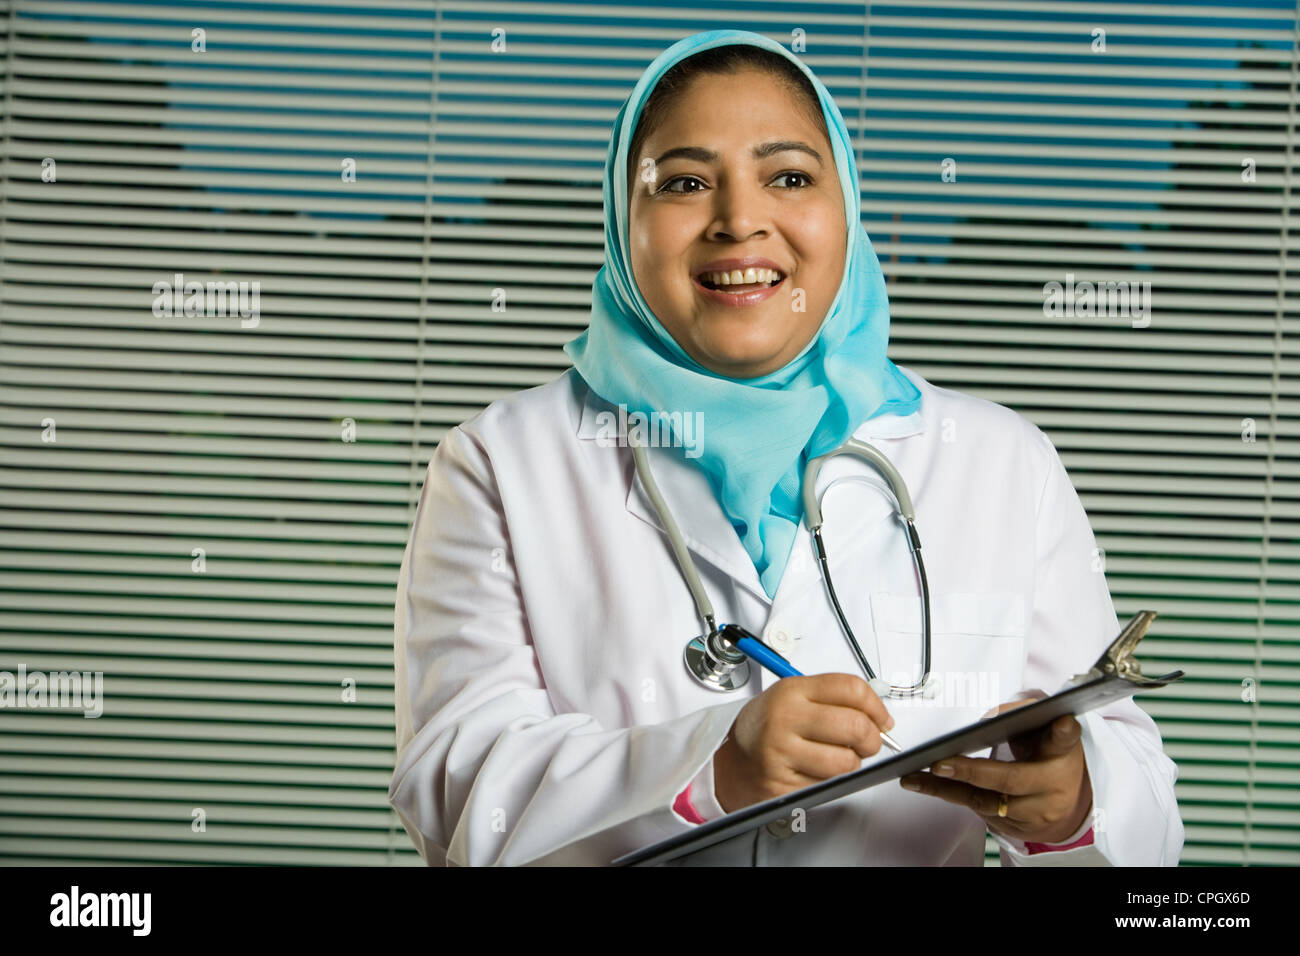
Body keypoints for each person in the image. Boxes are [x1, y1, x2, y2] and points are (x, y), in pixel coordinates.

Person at [388, 29, 1185, 867]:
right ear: (624, 223)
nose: (739, 222)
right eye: (686, 183)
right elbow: (454, 787)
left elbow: (1145, 807)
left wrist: (1075, 806)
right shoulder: (502, 464)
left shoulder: (999, 462)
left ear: (846, 207)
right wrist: (712, 767)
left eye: (791, 177)